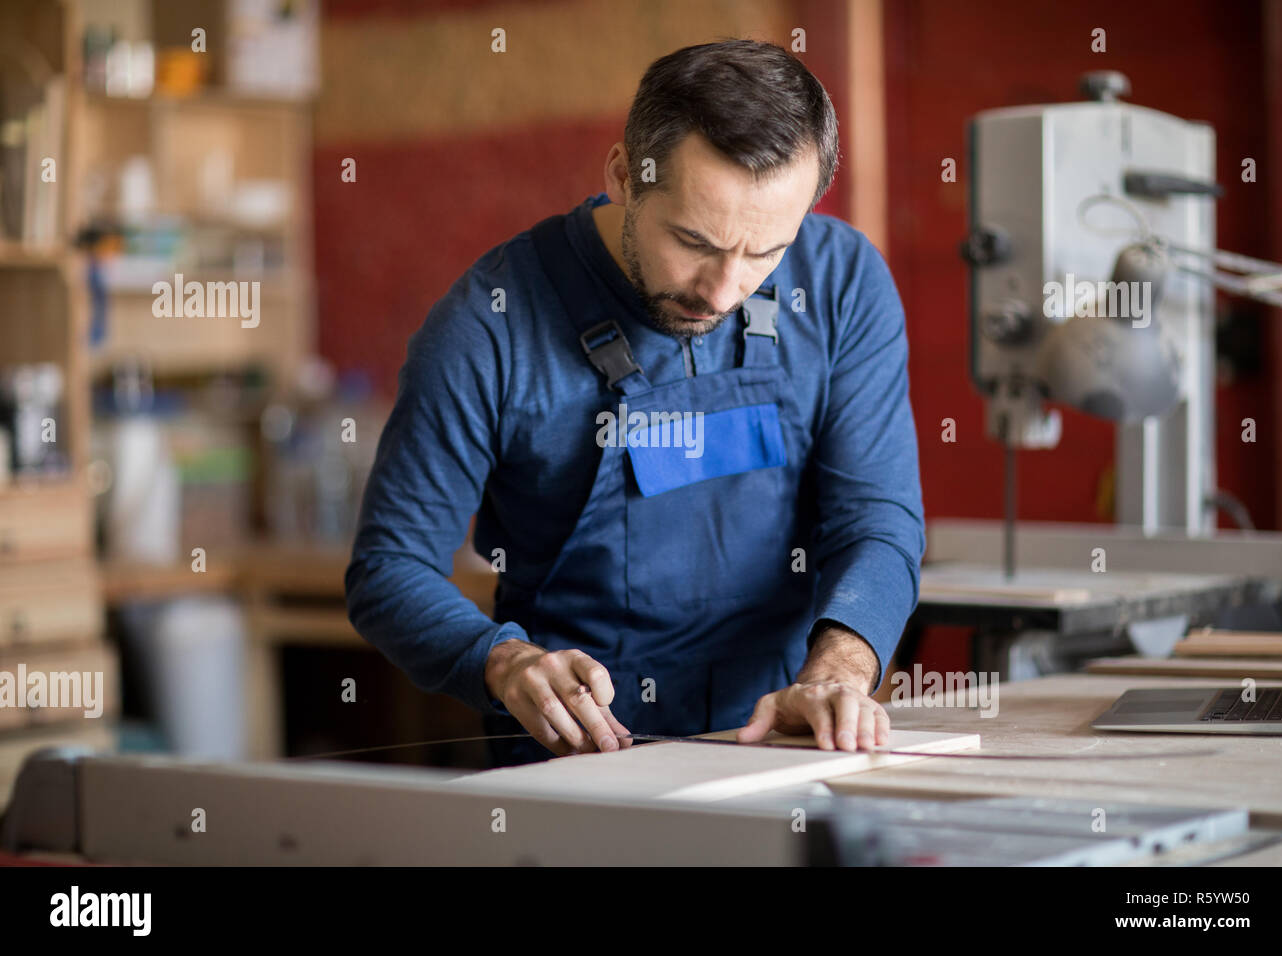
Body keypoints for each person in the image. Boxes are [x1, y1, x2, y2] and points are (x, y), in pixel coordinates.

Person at [345, 38, 925, 767]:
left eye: (765, 253)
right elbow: (390, 568)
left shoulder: (842, 282)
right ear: (624, 174)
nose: (722, 292)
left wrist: (838, 673)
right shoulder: (488, 326)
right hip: (579, 764)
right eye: (693, 241)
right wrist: (504, 661)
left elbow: (877, 520)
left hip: (784, 749)